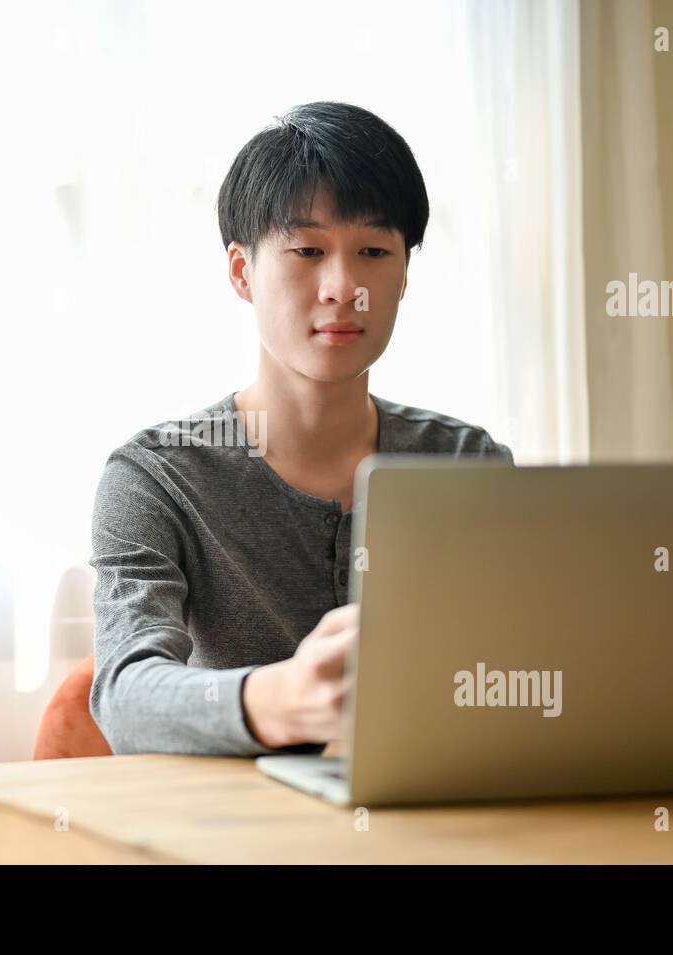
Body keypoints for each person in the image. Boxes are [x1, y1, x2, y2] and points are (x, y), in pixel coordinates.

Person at [88, 101, 513, 757]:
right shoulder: (157, 475)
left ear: (404, 275)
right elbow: (125, 693)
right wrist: (282, 699)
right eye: (307, 250)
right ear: (241, 272)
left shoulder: (465, 462)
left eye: (374, 250)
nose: (343, 287)